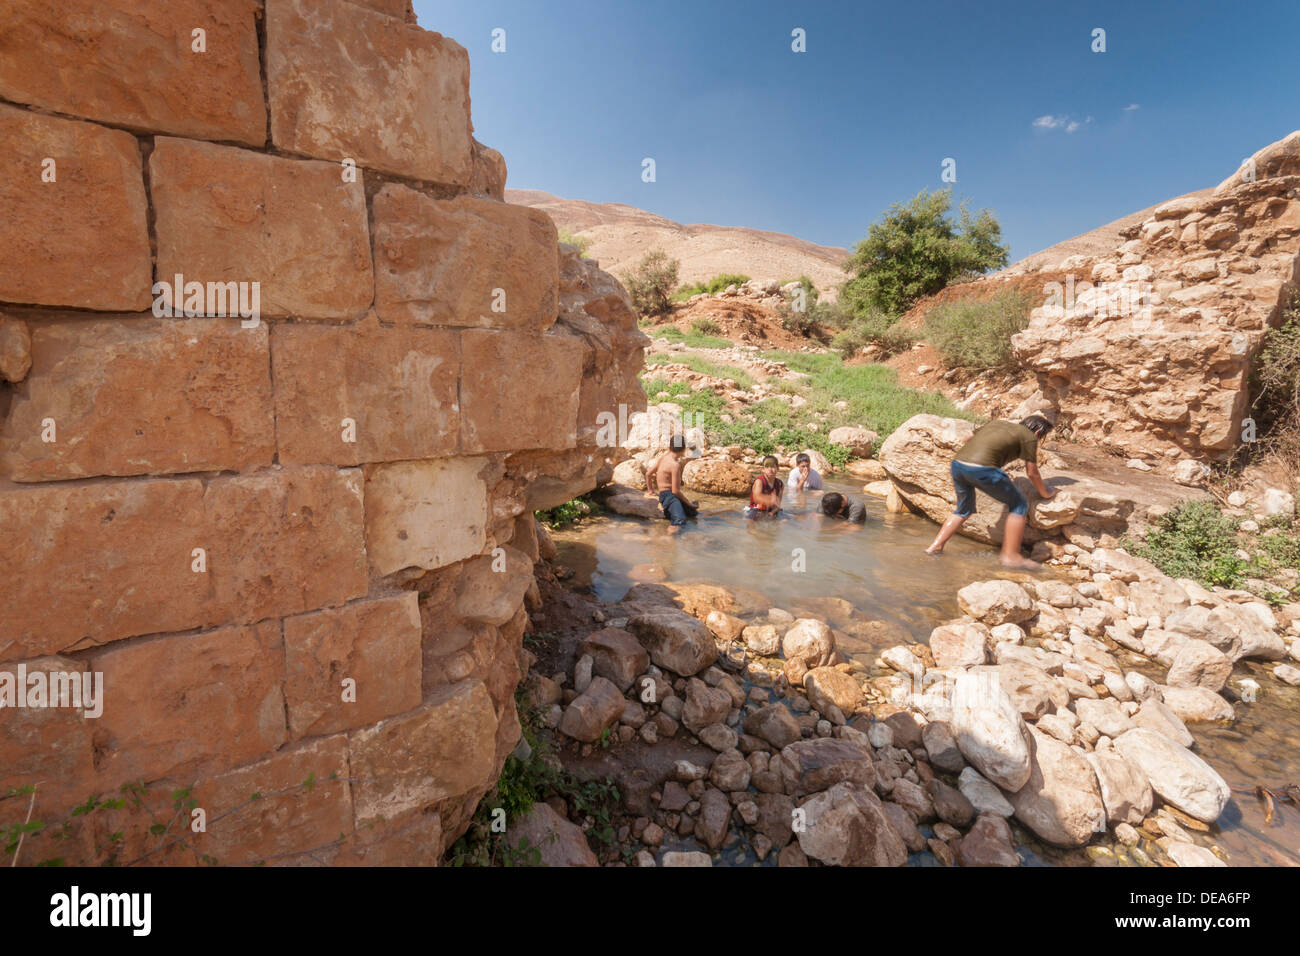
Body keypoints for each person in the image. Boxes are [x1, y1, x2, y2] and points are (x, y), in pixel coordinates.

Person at [924, 415, 1056, 569]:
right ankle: (1011, 556)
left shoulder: (997, 423)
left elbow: (967, 438)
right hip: (983, 469)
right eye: (1043, 437)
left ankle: (935, 547)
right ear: (1039, 431)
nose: (1040, 440)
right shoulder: (1029, 437)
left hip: (958, 465)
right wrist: (1045, 493)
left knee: (964, 509)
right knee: (1019, 504)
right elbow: (1032, 472)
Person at [645, 434, 699, 533]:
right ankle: (667, 542)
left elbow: (648, 474)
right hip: (670, 497)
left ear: (670, 446)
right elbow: (675, 491)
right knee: (679, 521)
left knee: (692, 513)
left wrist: (651, 491)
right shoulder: (675, 465)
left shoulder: (663, 458)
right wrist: (689, 503)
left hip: (664, 495)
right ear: (683, 450)